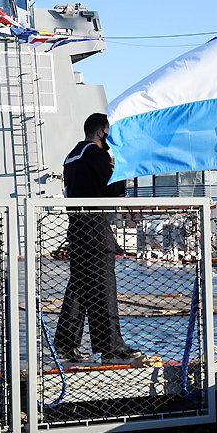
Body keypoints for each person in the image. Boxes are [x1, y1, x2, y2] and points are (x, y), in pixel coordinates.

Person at [54, 113, 142, 365]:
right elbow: (113, 188)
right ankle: (111, 346)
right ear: (101, 131)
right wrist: (123, 164)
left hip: (77, 228)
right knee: (104, 286)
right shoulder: (95, 153)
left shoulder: (72, 155)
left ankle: (65, 343)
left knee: (80, 286)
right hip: (96, 228)